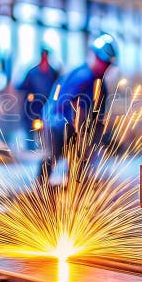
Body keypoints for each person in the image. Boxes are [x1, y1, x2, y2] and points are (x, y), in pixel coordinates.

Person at [37, 33, 118, 185]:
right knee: (52, 157)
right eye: (103, 63)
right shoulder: (83, 76)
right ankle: (41, 189)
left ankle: (73, 190)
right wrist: (81, 129)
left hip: (69, 126)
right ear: (94, 56)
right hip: (58, 124)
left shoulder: (99, 82)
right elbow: (67, 105)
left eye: (108, 64)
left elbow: (98, 113)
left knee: (78, 163)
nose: (105, 67)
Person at [15, 47, 59, 145]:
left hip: (47, 105)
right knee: (30, 125)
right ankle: (30, 145)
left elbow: (57, 87)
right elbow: (23, 86)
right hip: (34, 106)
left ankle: (47, 145)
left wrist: (54, 100)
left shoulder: (53, 73)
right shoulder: (32, 72)